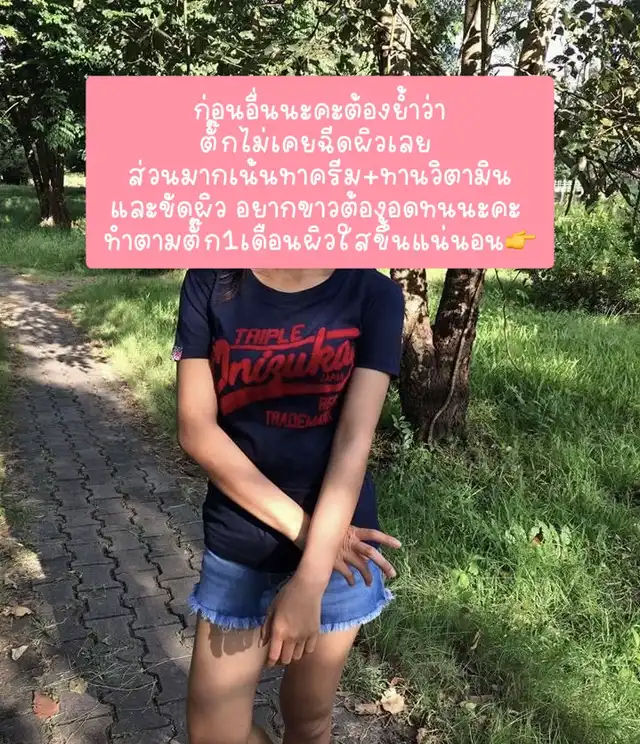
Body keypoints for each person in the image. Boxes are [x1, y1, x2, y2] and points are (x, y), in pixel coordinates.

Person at [172, 268, 405, 744]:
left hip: (339, 553)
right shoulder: (211, 280)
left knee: (309, 720)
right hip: (246, 541)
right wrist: (308, 536)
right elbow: (196, 429)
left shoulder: (375, 293)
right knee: (215, 735)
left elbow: (354, 442)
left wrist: (312, 576)